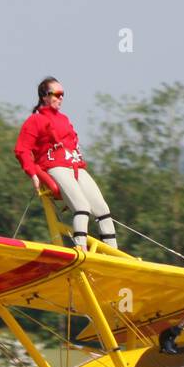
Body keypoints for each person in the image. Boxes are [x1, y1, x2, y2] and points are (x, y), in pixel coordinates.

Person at [14, 76, 118, 250]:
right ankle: (81, 249)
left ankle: (114, 253)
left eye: (63, 94)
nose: (61, 97)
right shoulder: (35, 120)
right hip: (55, 167)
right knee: (82, 207)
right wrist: (32, 173)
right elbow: (21, 149)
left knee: (103, 210)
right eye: (57, 94)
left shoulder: (64, 119)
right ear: (45, 96)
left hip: (76, 166)